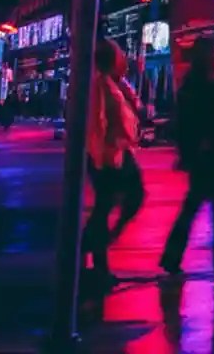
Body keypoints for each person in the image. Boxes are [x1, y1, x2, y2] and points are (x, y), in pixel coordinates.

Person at [159, 38, 214, 289]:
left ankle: (172, 258)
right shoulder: (203, 86)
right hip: (213, 158)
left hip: (204, 158)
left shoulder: (192, 84)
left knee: (193, 210)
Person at [82, 39, 146, 290]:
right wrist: (102, 158)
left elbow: (136, 109)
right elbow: (98, 124)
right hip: (110, 154)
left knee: (107, 206)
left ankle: (92, 249)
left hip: (121, 151)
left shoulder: (115, 83)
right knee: (107, 206)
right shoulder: (101, 85)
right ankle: (91, 251)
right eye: (121, 56)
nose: (125, 61)